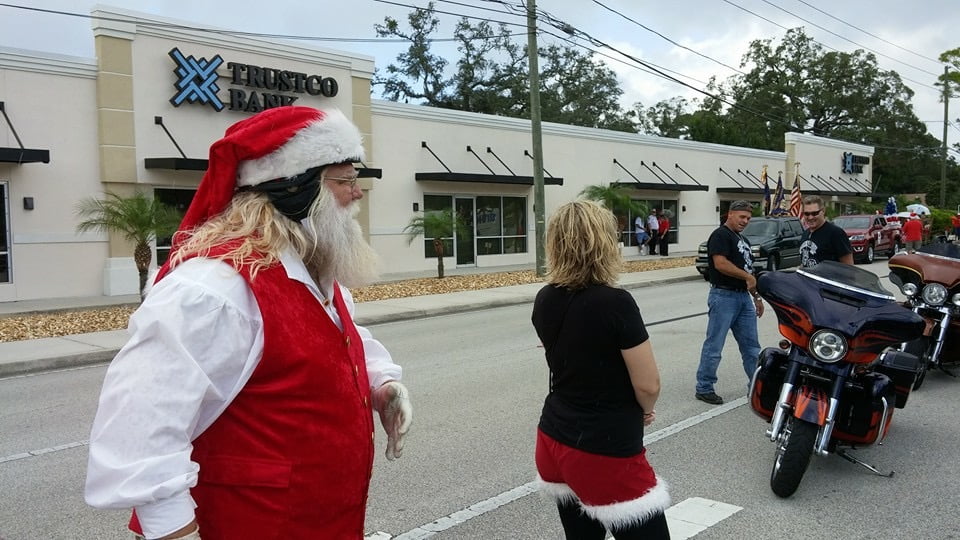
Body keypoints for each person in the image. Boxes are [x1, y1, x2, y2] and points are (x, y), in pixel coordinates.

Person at [84, 106, 412, 540]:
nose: (357, 193)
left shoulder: (314, 272)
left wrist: (381, 384)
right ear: (295, 188)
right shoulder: (213, 288)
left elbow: (343, 342)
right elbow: (140, 433)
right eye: (345, 179)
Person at [532, 200, 670, 540]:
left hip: (553, 438)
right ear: (604, 243)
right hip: (603, 446)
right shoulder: (615, 303)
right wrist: (645, 411)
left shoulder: (546, 297)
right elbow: (648, 384)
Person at [695, 200, 763, 406]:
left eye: (748, 218)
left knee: (752, 347)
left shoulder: (743, 240)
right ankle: (704, 387)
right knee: (714, 345)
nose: (745, 221)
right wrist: (748, 277)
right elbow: (720, 263)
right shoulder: (720, 235)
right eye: (742, 217)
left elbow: (748, 271)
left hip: (743, 298)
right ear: (730, 214)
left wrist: (756, 297)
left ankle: (757, 386)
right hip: (723, 297)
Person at [798, 195, 853, 267]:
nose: (810, 217)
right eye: (807, 214)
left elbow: (849, 267)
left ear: (823, 211)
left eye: (815, 213)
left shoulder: (836, 233)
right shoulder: (805, 234)